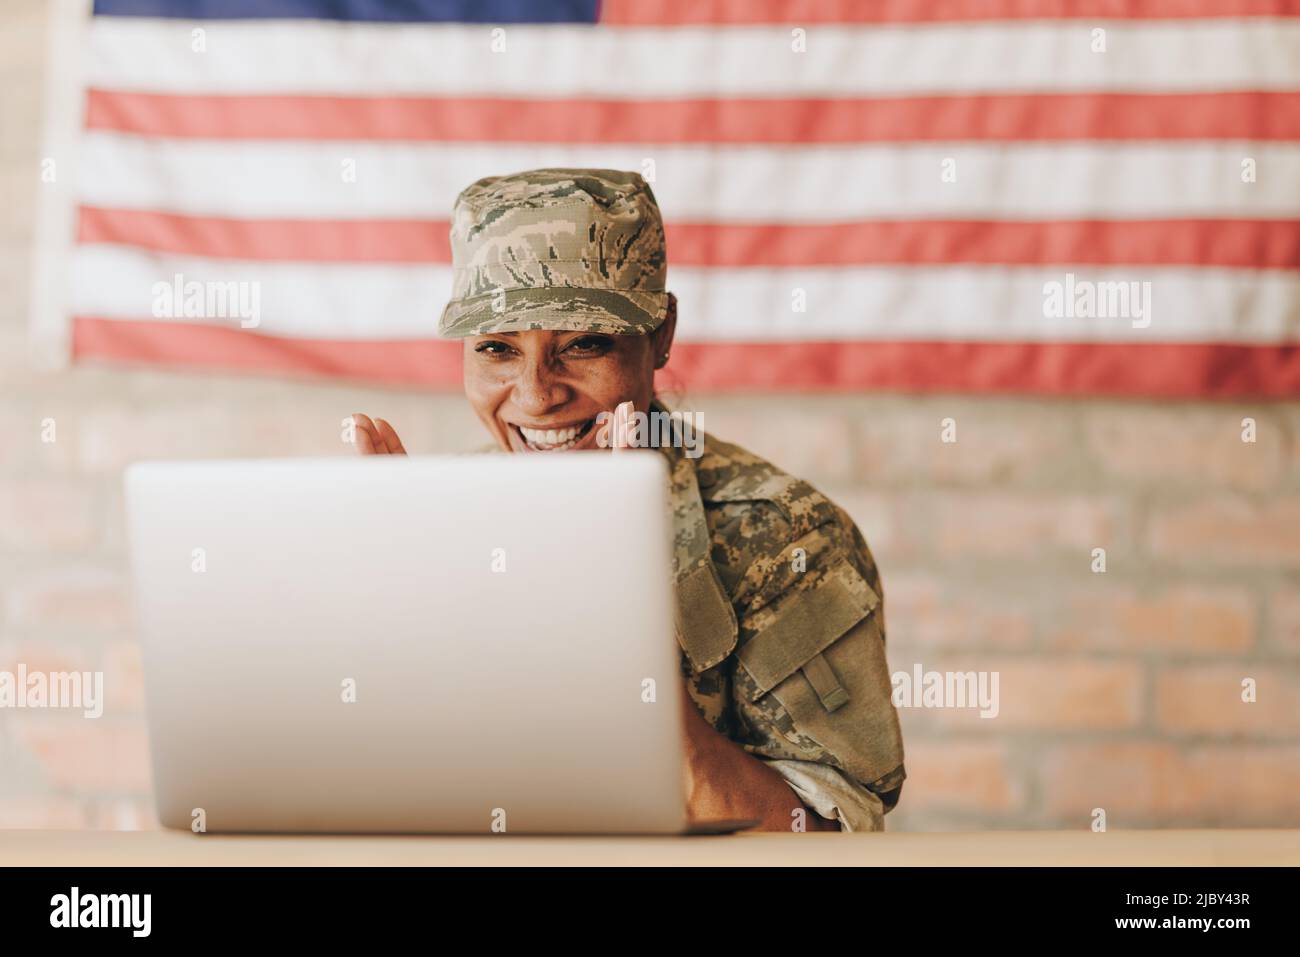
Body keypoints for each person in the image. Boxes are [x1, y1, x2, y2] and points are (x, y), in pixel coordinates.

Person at [351, 168, 905, 832]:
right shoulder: (440, 518)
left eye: (583, 344)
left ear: (661, 334)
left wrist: (624, 615)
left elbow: (833, 833)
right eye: (498, 348)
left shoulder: (786, 537)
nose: (535, 394)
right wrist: (392, 616)